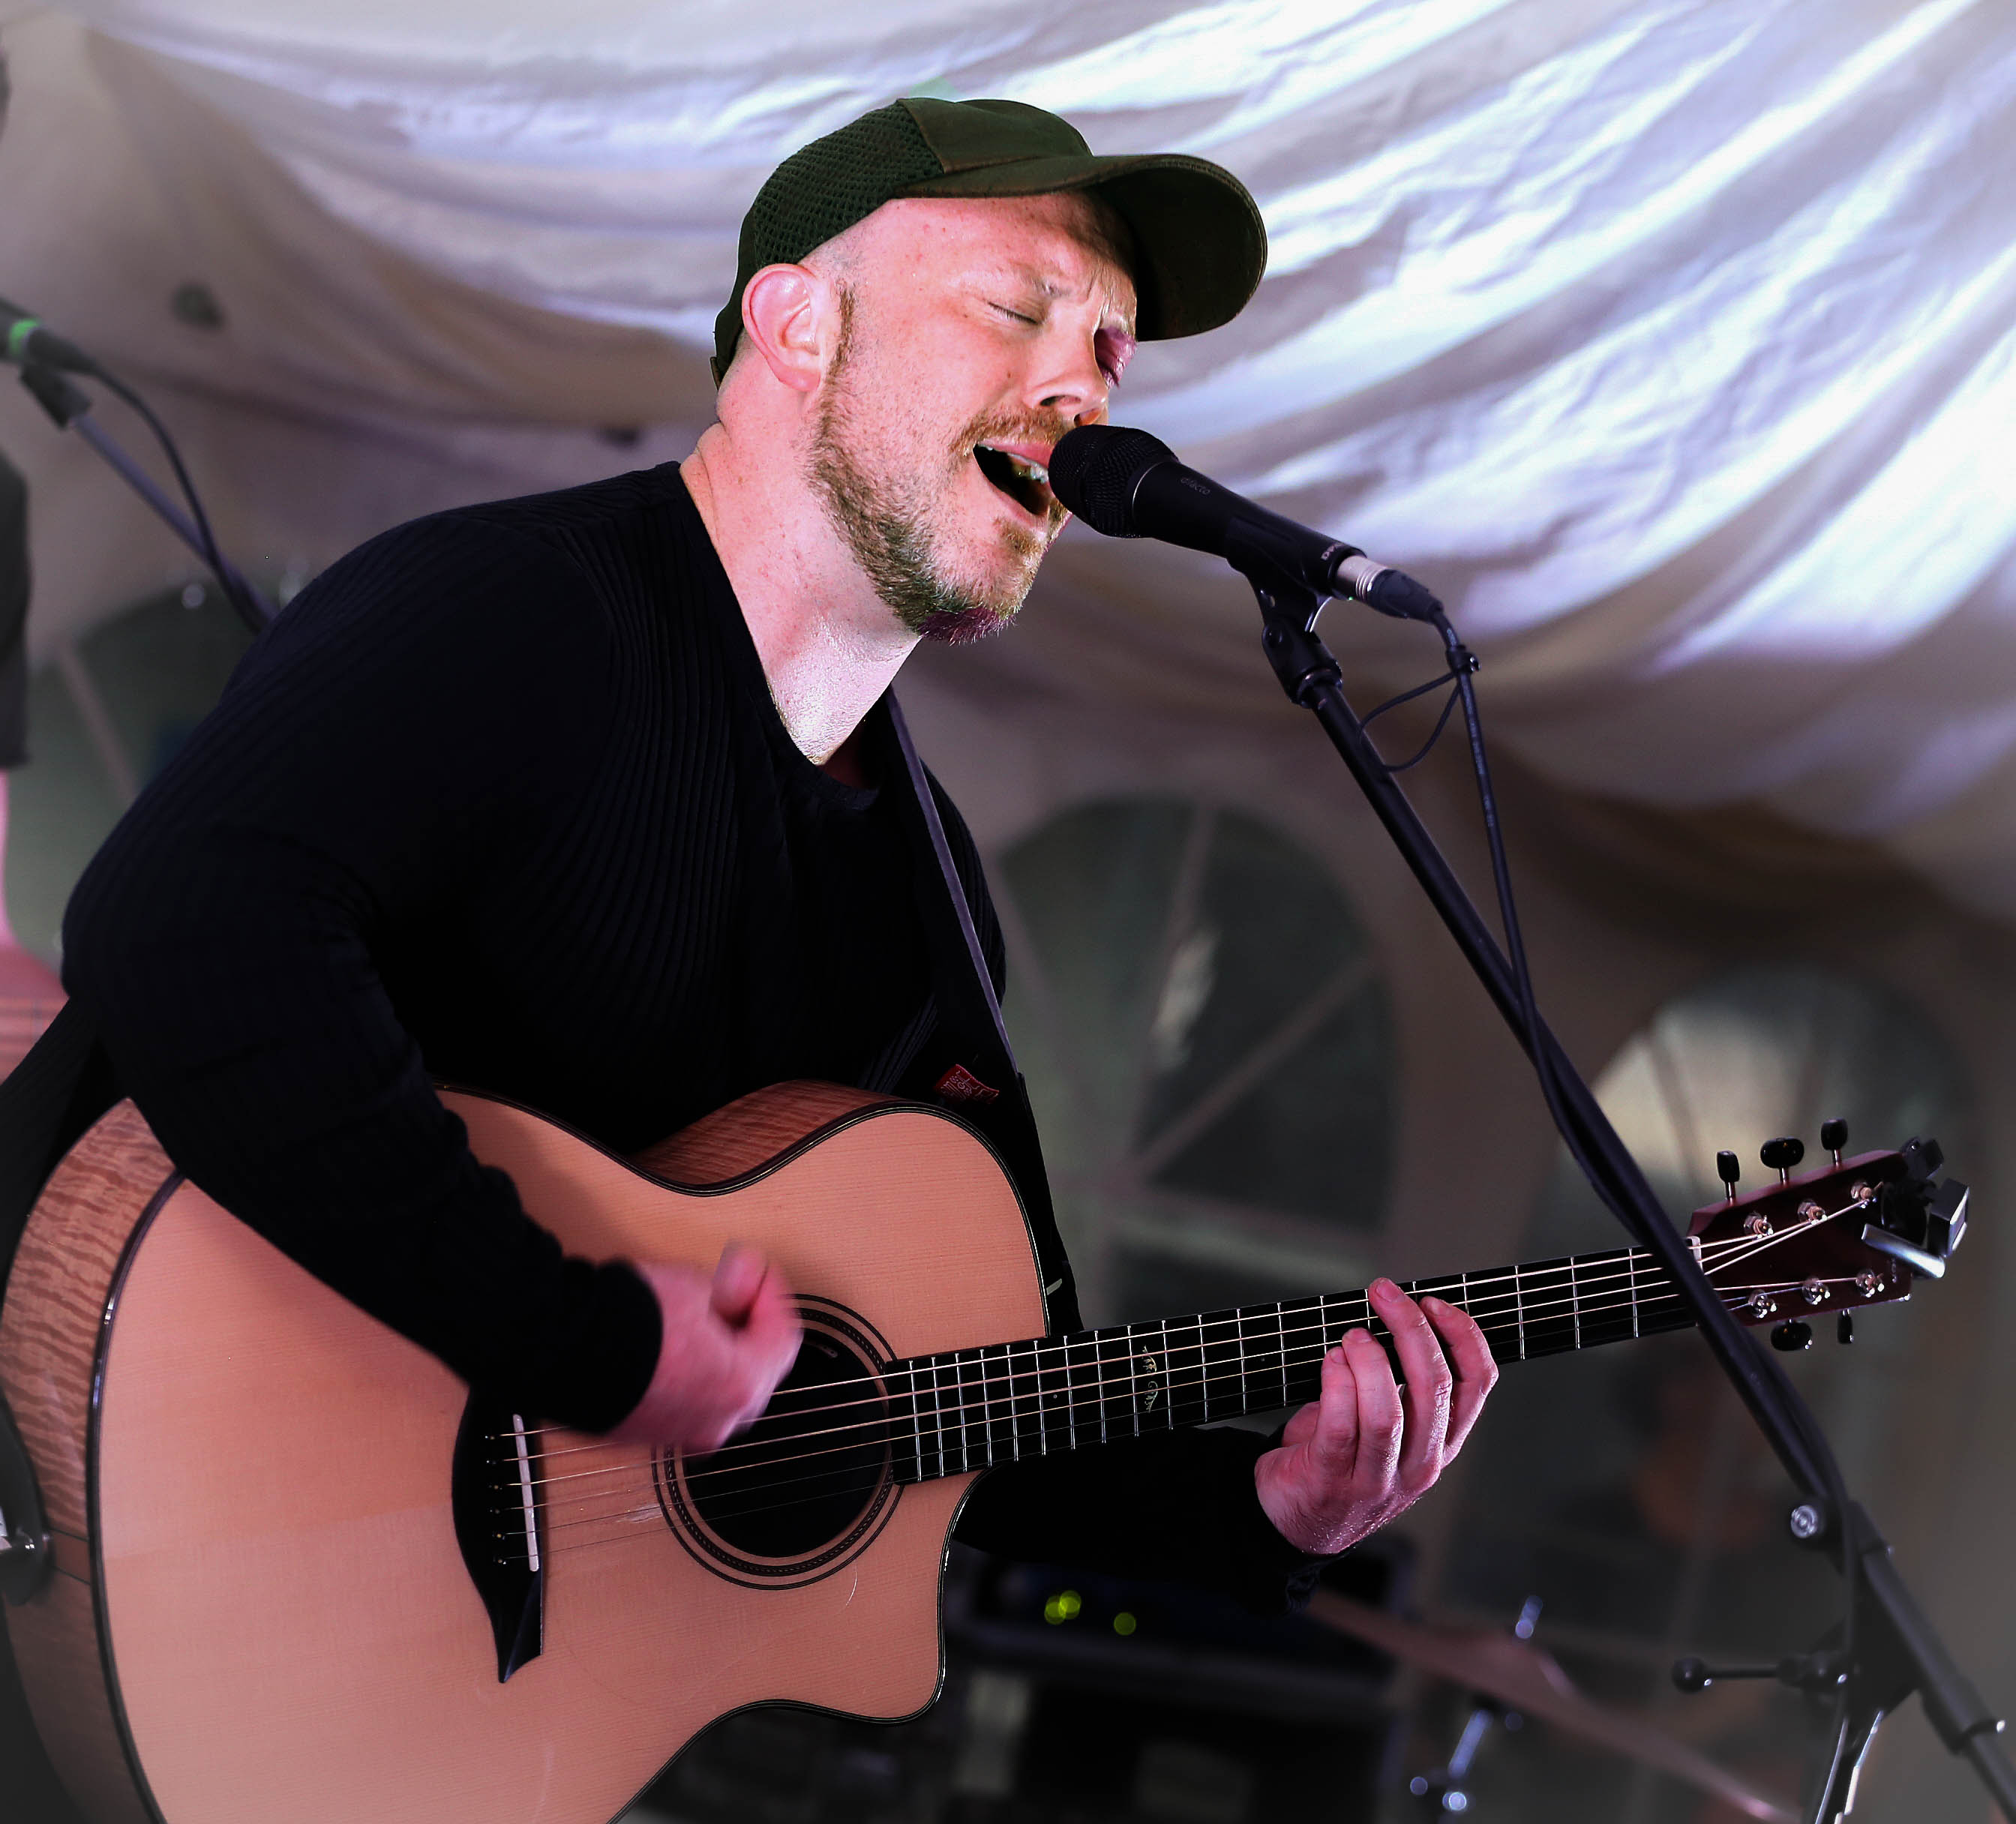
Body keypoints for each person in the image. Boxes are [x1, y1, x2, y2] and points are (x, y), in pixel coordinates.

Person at [13, 99, 1497, 1622]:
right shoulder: (519, 608)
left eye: (1113, 353)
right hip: (86, 1507)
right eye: (1019, 305)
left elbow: (948, 1407)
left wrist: (1262, 1505)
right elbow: (184, 931)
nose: (1083, 388)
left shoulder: (929, 903)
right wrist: (583, 1342)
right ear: (796, 326)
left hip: (406, 1662)